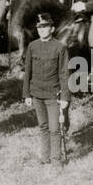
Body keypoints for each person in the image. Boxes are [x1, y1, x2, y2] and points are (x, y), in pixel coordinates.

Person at [21, 13, 70, 165]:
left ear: (52, 28)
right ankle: (45, 157)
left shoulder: (60, 47)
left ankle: (56, 160)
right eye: (39, 27)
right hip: (36, 94)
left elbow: (64, 74)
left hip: (53, 95)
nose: (42, 30)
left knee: (54, 128)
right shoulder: (32, 46)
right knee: (43, 126)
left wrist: (65, 98)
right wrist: (27, 94)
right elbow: (27, 71)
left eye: (45, 26)